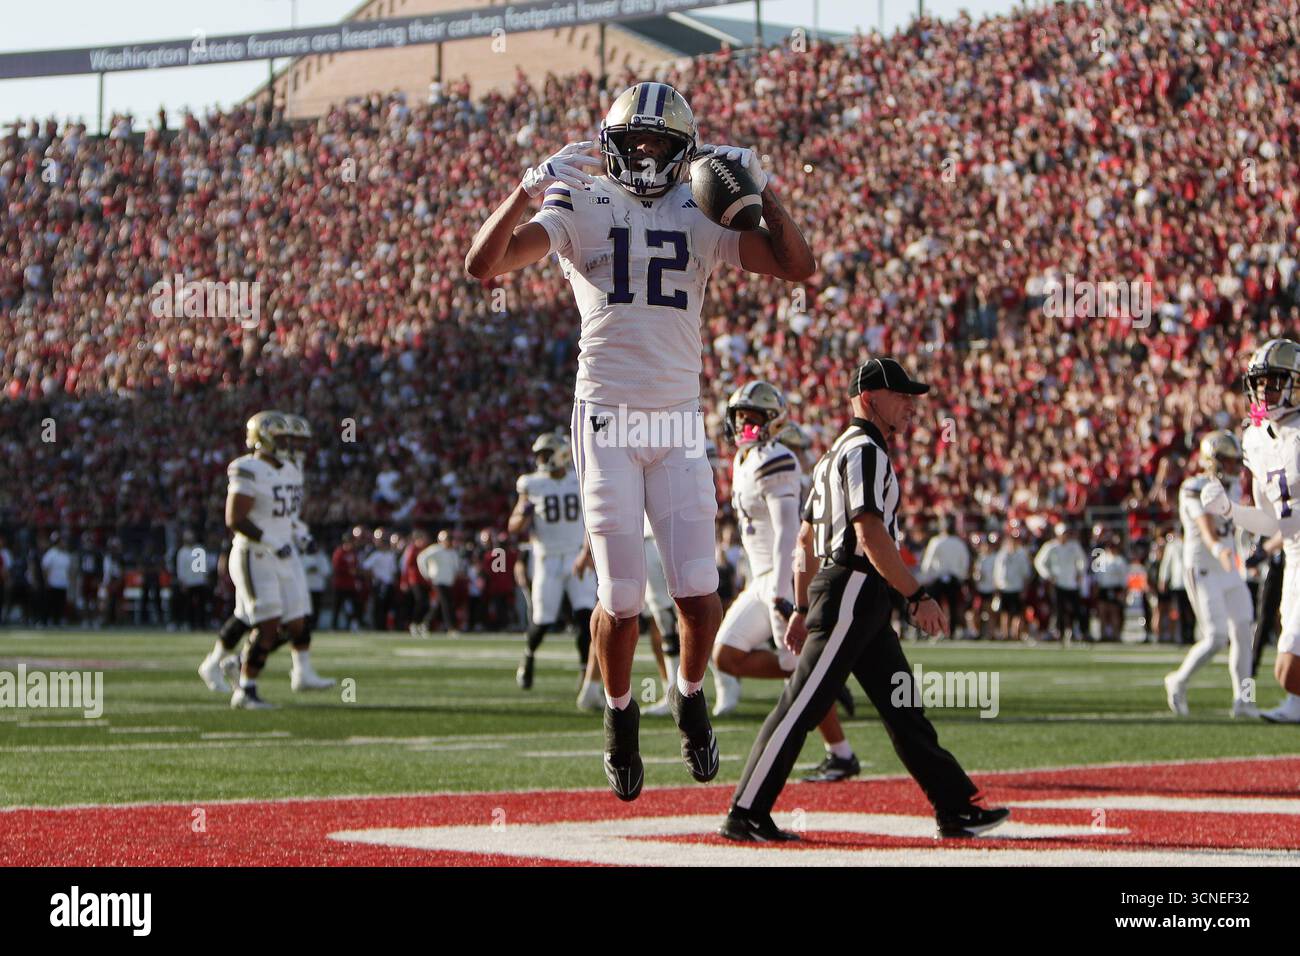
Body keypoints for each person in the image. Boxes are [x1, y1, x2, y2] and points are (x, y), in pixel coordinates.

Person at [465, 81, 815, 801]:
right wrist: (524, 189)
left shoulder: (701, 203)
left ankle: (689, 695)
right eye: (637, 142)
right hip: (607, 419)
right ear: (614, 145)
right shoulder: (581, 199)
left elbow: (796, 266)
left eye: (662, 143)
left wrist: (763, 193)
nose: (650, 154)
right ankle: (621, 717)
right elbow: (483, 264)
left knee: (699, 592)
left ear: (685, 148)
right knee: (622, 597)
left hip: (679, 418)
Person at [720, 358, 1009, 842]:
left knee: (903, 707)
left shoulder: (834, 454)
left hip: (855, 594)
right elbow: (869, 532)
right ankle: (746, 810)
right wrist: (916, 595)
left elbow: (805, 542)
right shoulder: (865, 451)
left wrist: (799, 606)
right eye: (902, 397)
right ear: (871, 398)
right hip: (854, 586)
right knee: (802, 703)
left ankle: (955, 806)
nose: (911, 407)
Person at [710, 382, 858, 783]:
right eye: (740, 417)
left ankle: (840, 753)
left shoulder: (775, 459)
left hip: (781, 577)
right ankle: (821, 679)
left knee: (798, 667)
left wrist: (784, 593)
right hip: (760, 578)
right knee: (725, 655)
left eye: (753, 419)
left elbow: (789, 532)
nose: (744, 425)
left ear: (772, 423)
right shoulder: (744, 459)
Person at [1200, 339, 1300, 722]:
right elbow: (1269, 518)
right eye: (1260, 383)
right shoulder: (1257, 439)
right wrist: (1229, 510)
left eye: (1275, 381)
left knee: (1288, 669)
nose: (1265, 391)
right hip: (1291, 555)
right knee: (1289, 674)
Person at [1164, 431, 1256, 716]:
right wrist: (1219, 548)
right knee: (1216, 637)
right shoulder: (1195, 486)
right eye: (1228, 460)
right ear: (1213, 460)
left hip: (1229, 570)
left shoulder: (1234, 488)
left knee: (1244, 633)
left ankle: (1245, 700)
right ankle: (1178, 681)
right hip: (1204, 567)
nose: (1234, 466)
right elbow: (1205, 526)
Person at [507, 433, 595, 689]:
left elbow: (592, 519)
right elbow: (513, 526)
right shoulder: (531, 484)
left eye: (546, 454)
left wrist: (587, 553)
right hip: (546, 558)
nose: (541, 459)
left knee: (583, 615)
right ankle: (529, 656)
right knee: (543, 619)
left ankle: (584, 672)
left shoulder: (579, 479)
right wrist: (523, 514)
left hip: (577, 554)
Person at [917, 516, 971, 640]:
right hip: (953, 579)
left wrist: (925, 577)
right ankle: (951, 631)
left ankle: (939, 631)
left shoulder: (936, 541)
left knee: (938, 606)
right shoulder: (959, 543)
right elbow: (965, 562)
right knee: (953, 606)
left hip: (939, 578)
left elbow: (928, 561)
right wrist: (961, 576)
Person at [1034, 522, 1087, 643]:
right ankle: (1059, 632)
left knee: (1075, 609)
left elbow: (1082, 560)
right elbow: (1039, 562)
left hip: (1072, 583)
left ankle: (1076, 631)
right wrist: (1048, 576)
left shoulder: (1074, 546)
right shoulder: (1051, 547)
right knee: (1059, 609)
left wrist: (1080, 573)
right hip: (1058, 583)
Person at [417, 530, 462, 634]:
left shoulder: (452, 552)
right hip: (438, 581)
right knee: (447, 603)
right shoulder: (436, 549)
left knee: (440, 604)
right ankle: (451, 627)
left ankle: (425, 624)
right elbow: (421, 558)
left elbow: (456, 567)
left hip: (448, 582)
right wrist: (426, 574)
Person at [991, 526, 1031, 641]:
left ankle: (1015, 633)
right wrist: (997, 586)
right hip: (1004, 587)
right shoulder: (1002, 555)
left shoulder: (1021, 555)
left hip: (1017, 587)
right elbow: (997, 572)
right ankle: (1005, 633)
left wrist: (1024, 588)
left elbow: (1025, 574)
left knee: (1017, 613)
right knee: (1005, 612)